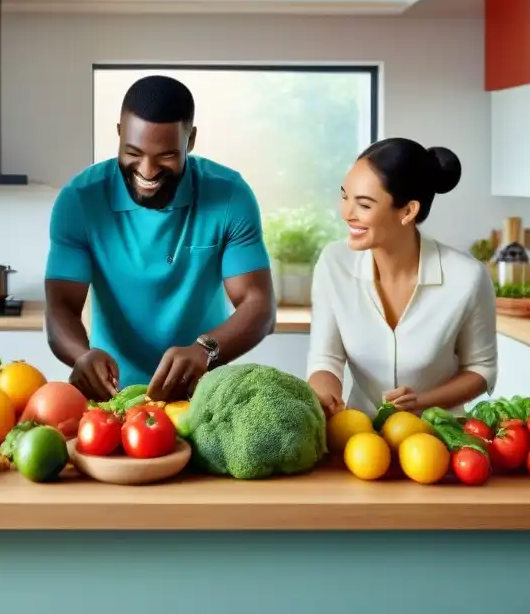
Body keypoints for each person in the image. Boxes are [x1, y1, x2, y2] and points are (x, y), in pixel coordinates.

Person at [44, 74, 276, 403]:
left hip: (203, 393)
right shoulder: (80, 199)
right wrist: (81, 355)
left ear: (190, 140)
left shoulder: (229, 195)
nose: (148, 171)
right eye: (133, 152)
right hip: (113, 397)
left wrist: (206, 351)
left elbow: (258, 305)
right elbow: (61, 306)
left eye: (166, 155)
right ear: (119, 133)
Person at [306, 138, 497, 419]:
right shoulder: (334, 263)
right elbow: (326, 359)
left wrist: (423, 402)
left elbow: (481, 369)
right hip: (360, 435)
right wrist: (326, 399)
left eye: (364, 204)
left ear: (407, 211)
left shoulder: (466, 277)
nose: (347, 214)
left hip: (438, 434)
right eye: (345, 197)